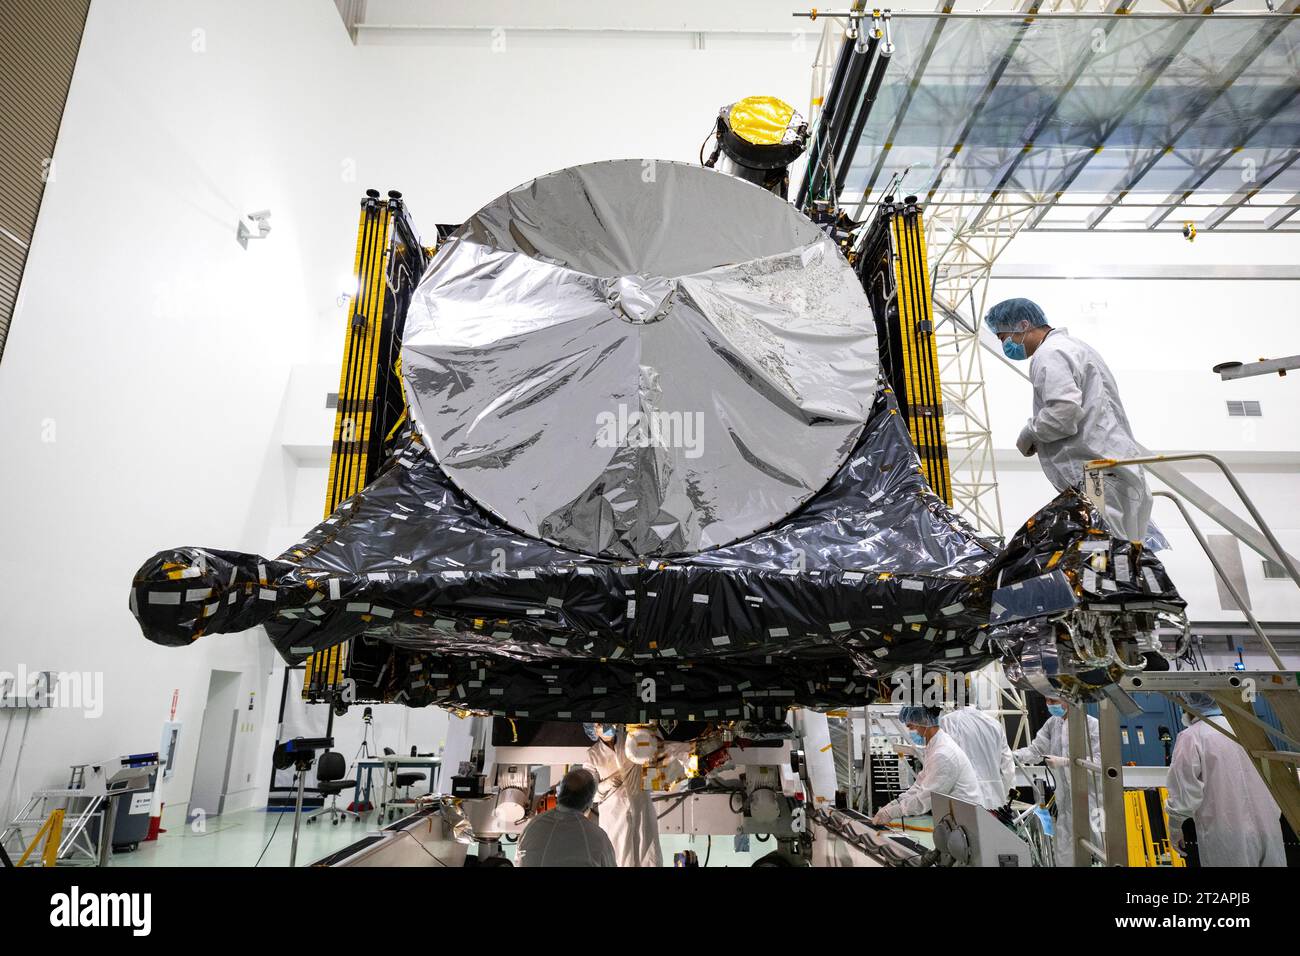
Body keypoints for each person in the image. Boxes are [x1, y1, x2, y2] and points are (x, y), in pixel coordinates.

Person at [984, 297, 1156, 545]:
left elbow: (1063, 414)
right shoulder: (1075, 348)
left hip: (1095, 474)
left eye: (1004, 337)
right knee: (1121, 554)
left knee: (1101, 556)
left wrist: (1029, 433)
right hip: (1112, 469)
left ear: (1023, 325)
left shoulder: (1049, 354)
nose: (1006, 345)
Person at [1165, 692, 1285, 867]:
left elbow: (1185, 792)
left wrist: (1175, 825)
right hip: (1269, 827)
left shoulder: (1192, 736)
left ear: (1187, 703)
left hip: (1227, 834)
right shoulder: (1249, 731)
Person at [1012, 696, 1101, 866]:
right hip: (1065, 800)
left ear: (1068, 699)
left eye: (1054, 701)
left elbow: (1101, 760)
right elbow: (1036, 750)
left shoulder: (1091, 724)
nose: (1050, 705)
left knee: (1102, 844)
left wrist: (1066, 762)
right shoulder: (1053, 724)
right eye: (1047, 701)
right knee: (1065, 849)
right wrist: (1014, 756)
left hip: (1092, 798)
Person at [872, 706, 983, 825]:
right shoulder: (934, 746)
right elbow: (920, 784)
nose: (911, 731)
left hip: (967, 819)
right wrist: (896, 802)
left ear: (924, 722)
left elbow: (926, 798)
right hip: (954, 815)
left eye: (911, 726)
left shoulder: (943, 754)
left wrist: (892, 812)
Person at [584, 723, 664, 867]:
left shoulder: (630, 740)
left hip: (641, 807)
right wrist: (607, 783)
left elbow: (655, 746)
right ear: (594, 730)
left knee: (648, 857)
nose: (606, 726)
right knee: (620, 860)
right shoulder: (593, 756)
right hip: (614, 815)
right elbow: (589, 795)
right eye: (600, 724)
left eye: (607, 721)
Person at [516, 767, 617, 867]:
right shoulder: (597, 837)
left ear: (560, 792)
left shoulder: (533, 825)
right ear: (589, 801)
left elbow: (519, 860)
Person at [940, 704, 1016, 812]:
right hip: (996, 800)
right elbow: (1008, 766)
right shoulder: (994, 723)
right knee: (993, 828)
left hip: (964, 798)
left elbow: (944, 763)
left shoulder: (948, 721)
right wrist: (1007, 792)